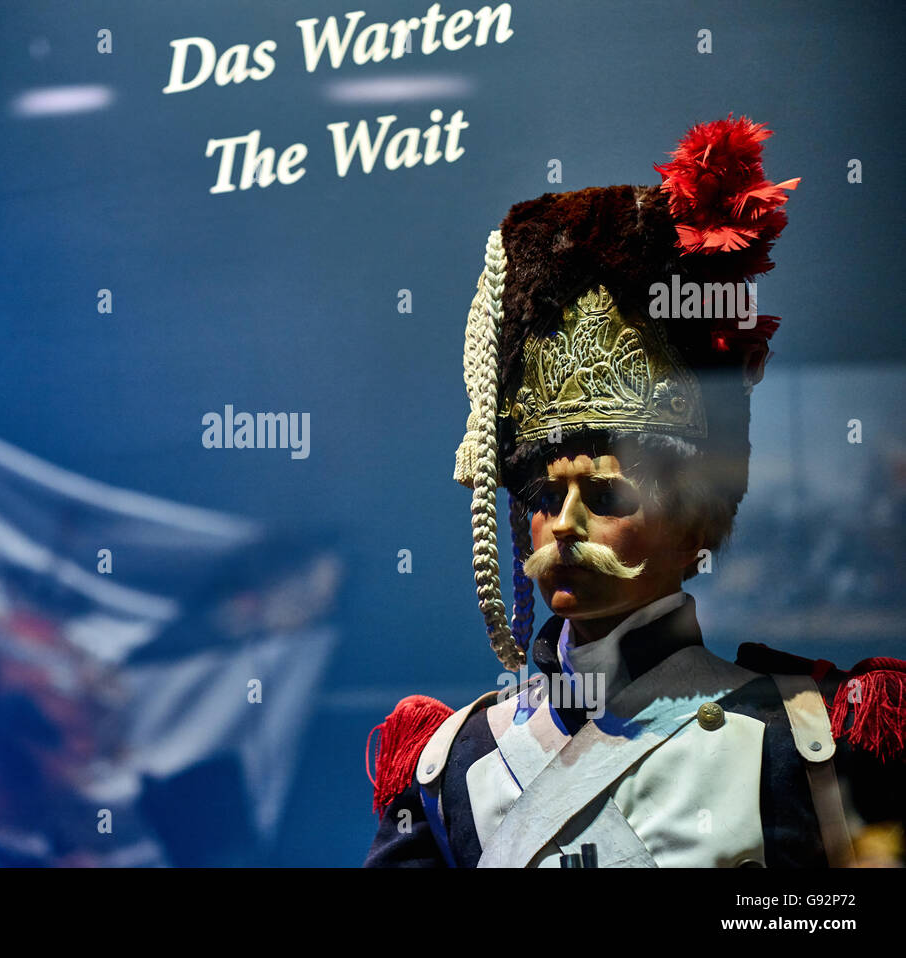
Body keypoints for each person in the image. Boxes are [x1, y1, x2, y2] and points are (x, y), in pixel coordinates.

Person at [364, 115, 905, 868]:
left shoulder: (800, 740)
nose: (565, 526)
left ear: (695, 526)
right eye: (546, 501)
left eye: (608, 495)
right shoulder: (452, 764)